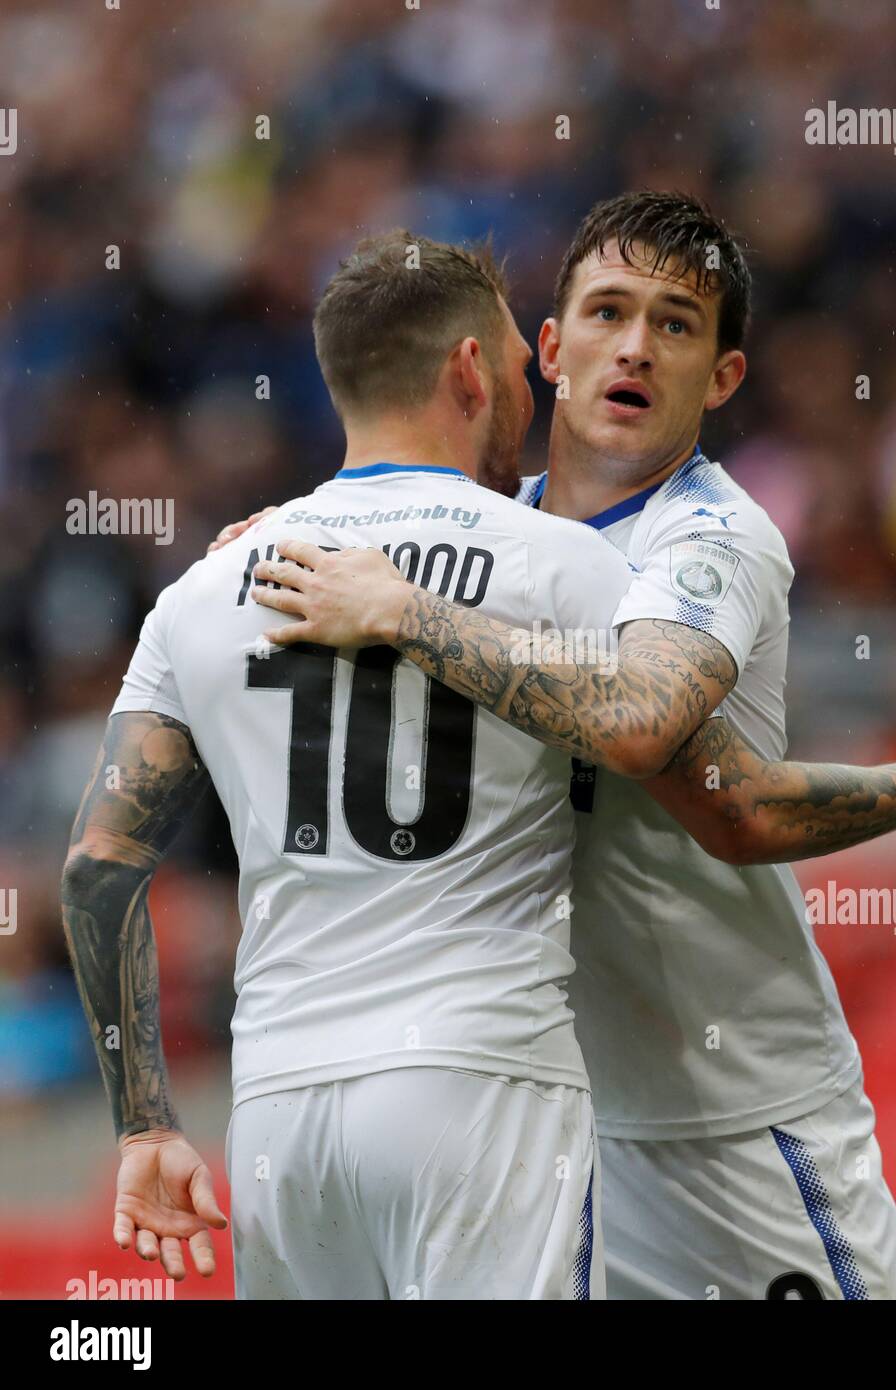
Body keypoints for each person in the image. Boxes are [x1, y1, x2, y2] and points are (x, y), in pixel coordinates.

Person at [241, 193, 896, 1299]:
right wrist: (270, 552)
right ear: (550, 350)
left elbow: (656, 739)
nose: (635, 344)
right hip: (554, 1122)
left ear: (721, 378)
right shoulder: (493, 538)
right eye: (609, 311)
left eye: (676, 324)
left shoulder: (715, 537)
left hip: (734, 1115)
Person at [61, 231, 651, 1300]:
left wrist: (146, 1119)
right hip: (482, 1083)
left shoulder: (205, 587)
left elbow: (98, 865)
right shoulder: (566, 567)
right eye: (522, 365)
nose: (532, 392)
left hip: (282, 1105)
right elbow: (683, 764)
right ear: (471, 370)